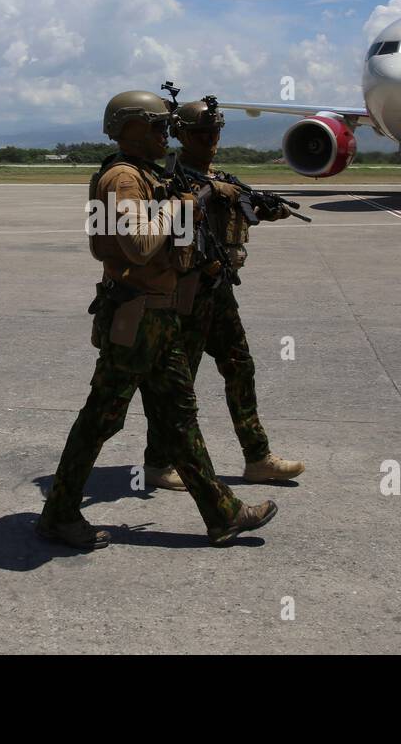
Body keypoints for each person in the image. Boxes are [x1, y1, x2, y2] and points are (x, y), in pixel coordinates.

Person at [37, 90, 278, 549]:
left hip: (159, 316)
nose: (165, 134)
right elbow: (141, 245)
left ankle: (223, 514)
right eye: (156, 126)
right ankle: (59, 514)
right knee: (100, 419)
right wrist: (181, 204)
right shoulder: (123, 180)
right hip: (135, 318)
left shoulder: (149, 177)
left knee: (179, 419)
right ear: (127, 127)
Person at [141, 98, 306, 491]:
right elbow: (174, 224)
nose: (211, 140)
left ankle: (257, 457)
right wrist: (215, 193)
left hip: (219, 290)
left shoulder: (223, 178)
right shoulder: (171, 179)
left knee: (240, 367)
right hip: (187, 292)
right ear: (181, 135)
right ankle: (159, 461)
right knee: (181, 382)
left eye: (216, 132)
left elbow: (234, 210)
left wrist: (265, 207)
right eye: (202, 133)